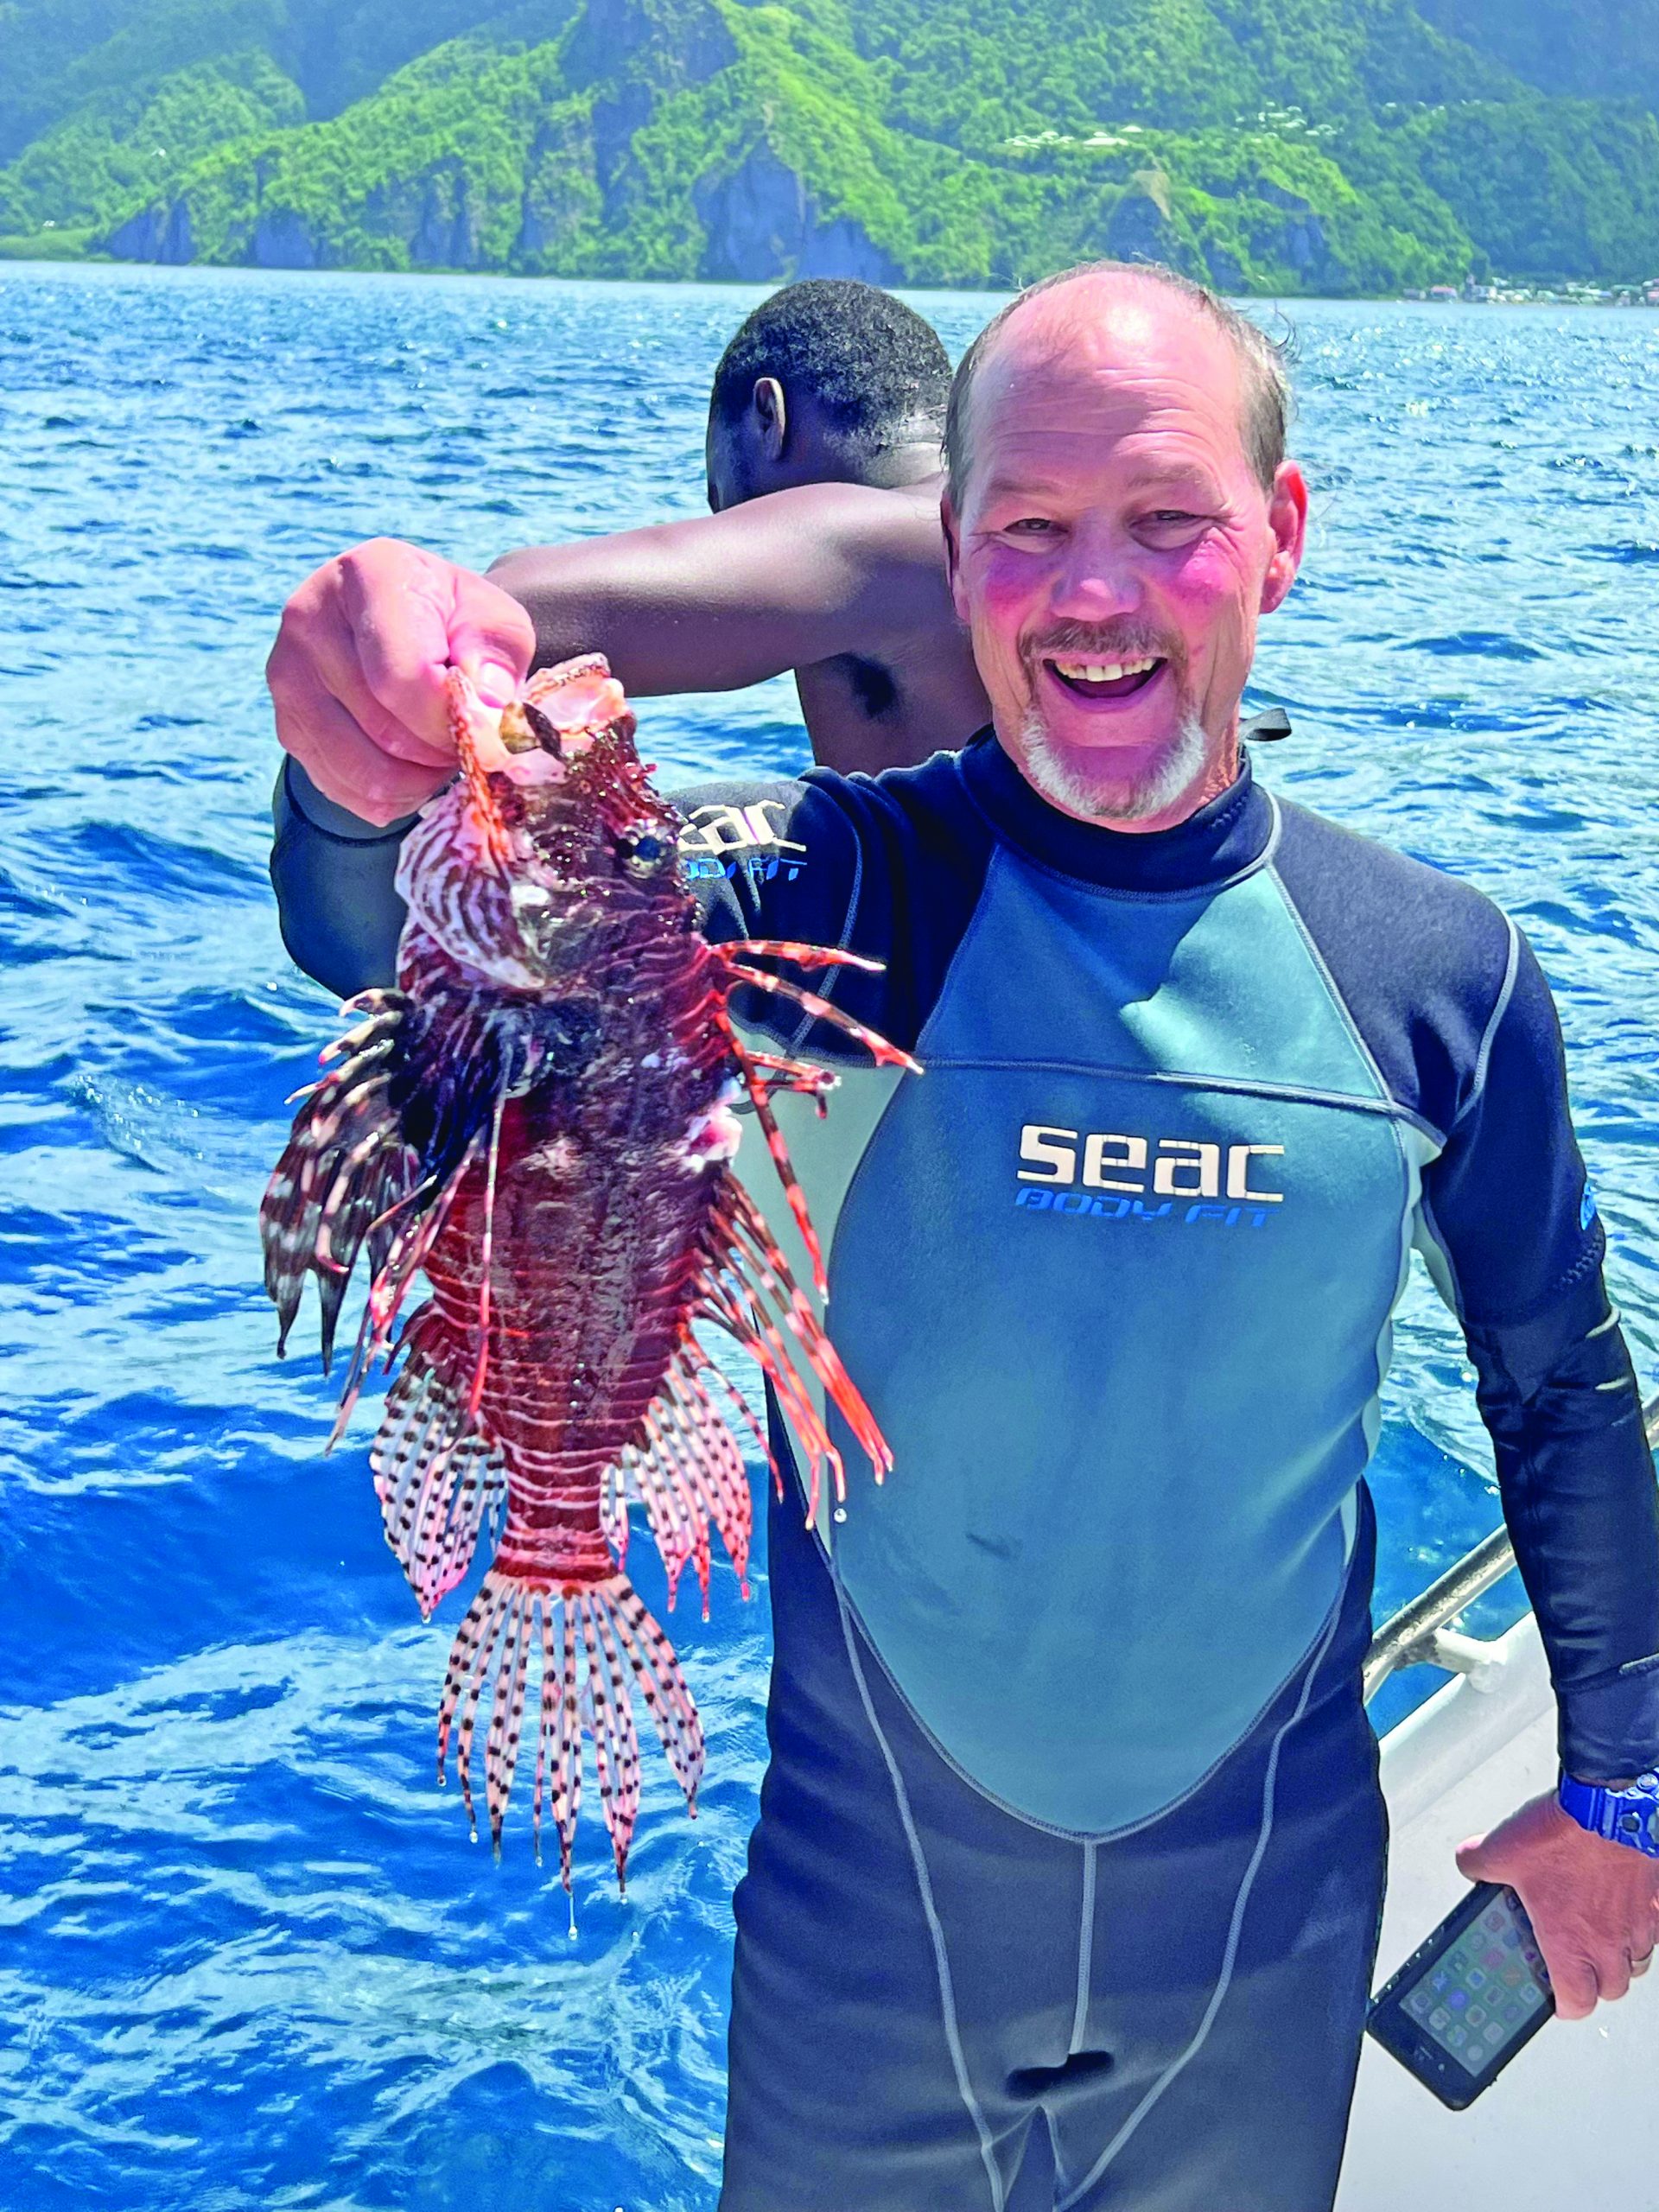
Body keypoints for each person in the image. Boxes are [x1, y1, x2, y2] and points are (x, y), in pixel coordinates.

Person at [266, 264, 1659, 2210]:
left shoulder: (1440, 979)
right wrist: (354, 768)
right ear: (951, 551)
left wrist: (1624, 1790)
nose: (1094, 591)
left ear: (1281, 534)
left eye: (1167, 520)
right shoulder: (834, 887)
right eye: (1029, 528)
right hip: (871, 1934)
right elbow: (385, 939)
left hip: (1260, 1931)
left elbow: (1562, 1391)